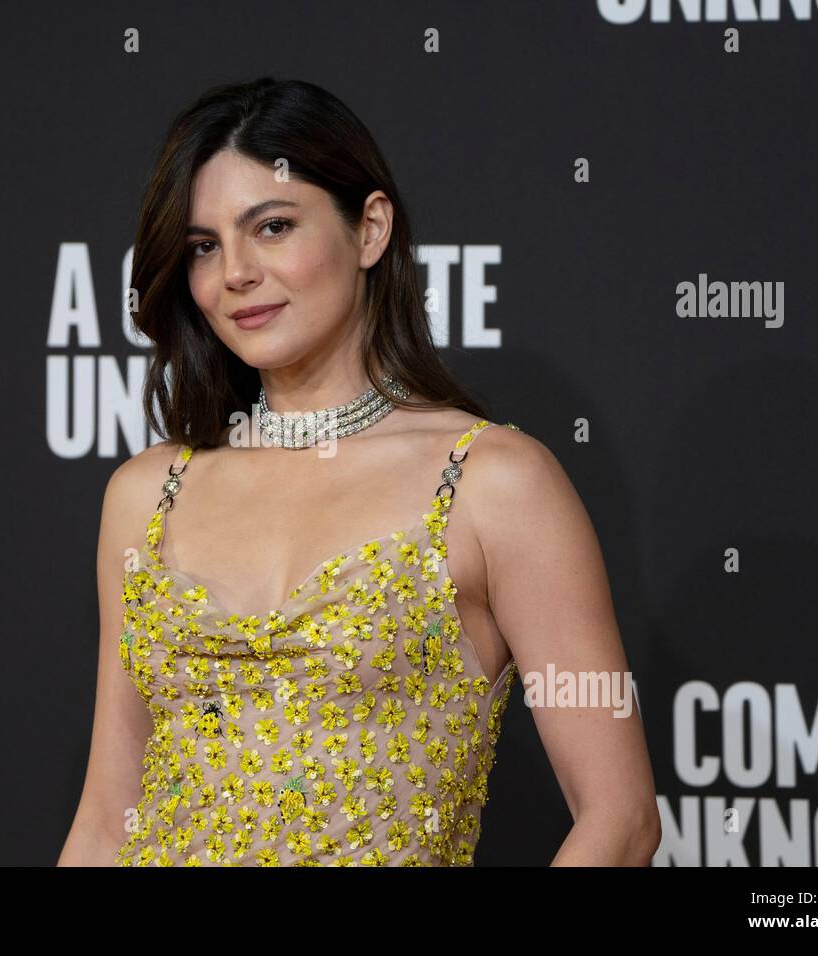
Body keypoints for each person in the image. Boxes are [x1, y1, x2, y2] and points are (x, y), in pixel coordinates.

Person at [58, 77, 660, 866]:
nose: (234, 272)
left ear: (370, 229)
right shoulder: (146, 496)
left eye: (271, 227)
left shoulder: (493, 485)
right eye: (205, 246)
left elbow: (619, 821)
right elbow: (108, 820)